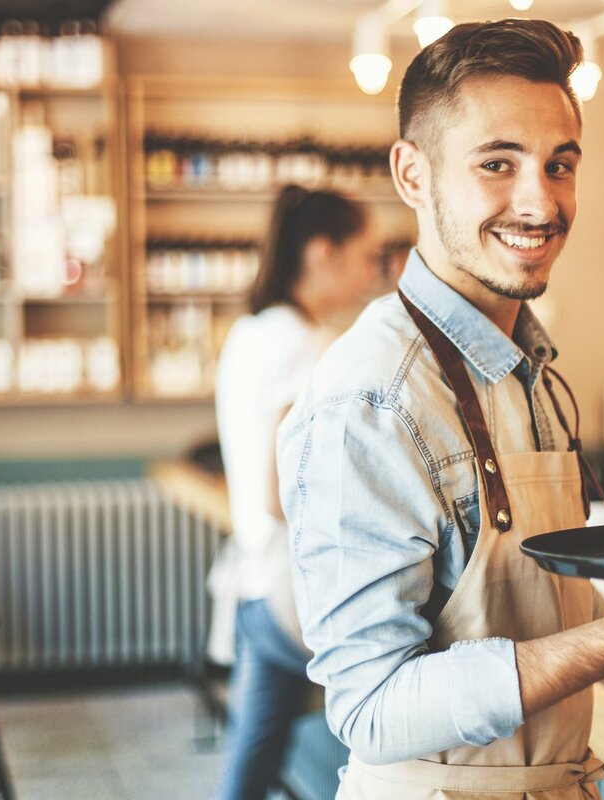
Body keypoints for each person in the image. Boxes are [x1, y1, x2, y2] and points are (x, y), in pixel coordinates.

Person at [278, 20, 604, 800]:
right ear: (412, 175)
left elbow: (555, 613)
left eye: (560, 165)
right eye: (497, 163)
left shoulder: (532, 371)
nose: (541, 202)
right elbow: (371, 707)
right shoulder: (371, 398)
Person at [215, 185, 383, 800]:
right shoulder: (304, 345)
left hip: (257, 584)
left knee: (255, 752)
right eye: (366, 257)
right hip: (293, 587)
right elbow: (279, 492)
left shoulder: (253, 330)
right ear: (322, 253)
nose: (374, 274)